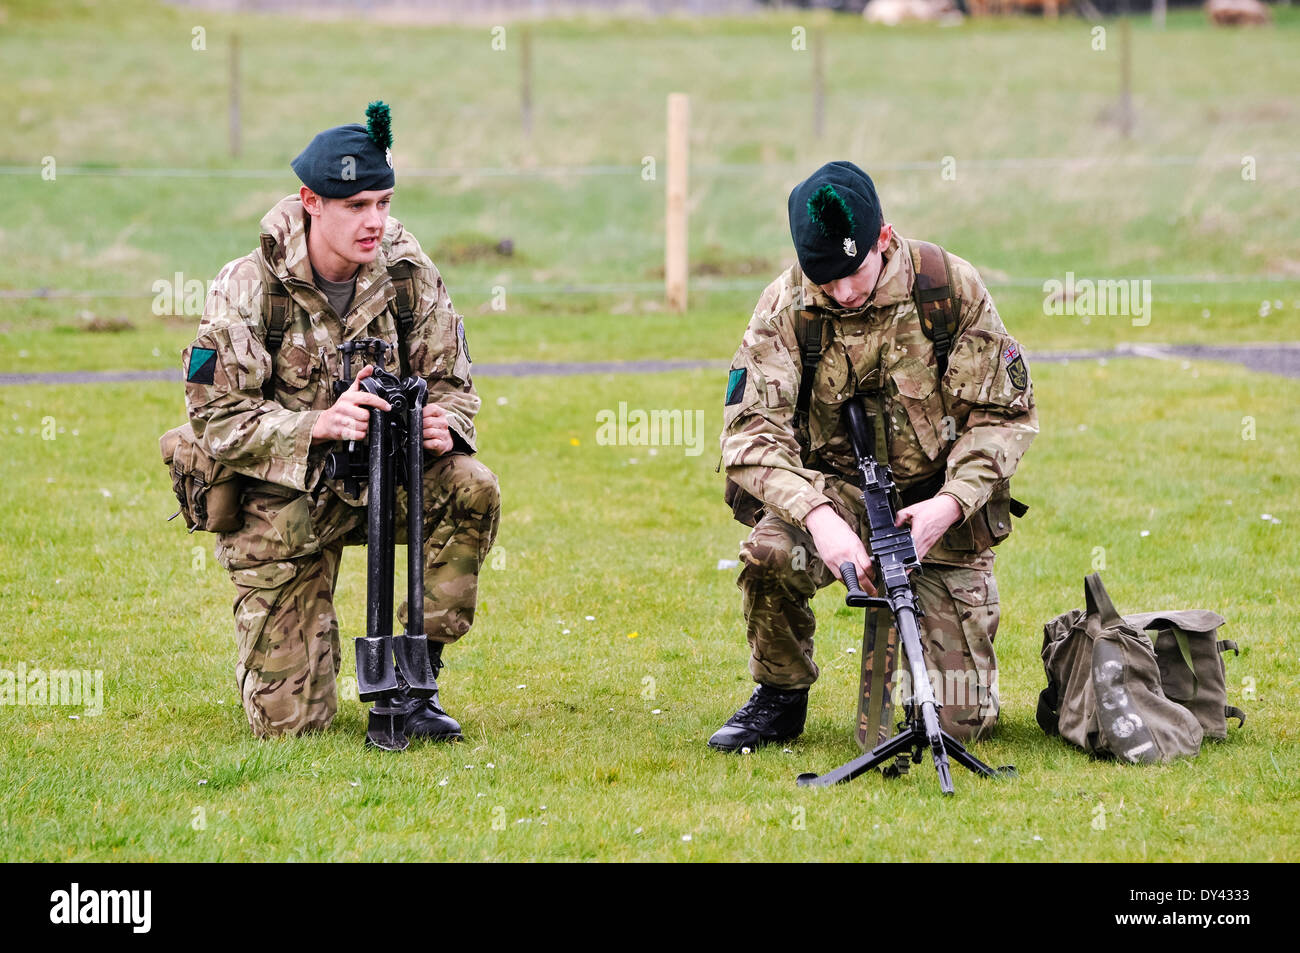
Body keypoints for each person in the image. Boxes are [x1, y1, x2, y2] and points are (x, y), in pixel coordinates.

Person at [183, 102, 500, 740]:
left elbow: (454, 383)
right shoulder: (246, 289)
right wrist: (319, 425)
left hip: (387, 484)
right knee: (295, 728)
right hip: (284, 505)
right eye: (356, 206)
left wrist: (445, 423)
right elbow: (216, 417)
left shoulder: (407, 270)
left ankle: (412, 681)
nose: (374, 222)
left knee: (471, 484)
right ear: (312, 202)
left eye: (382, 203)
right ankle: (300, 656)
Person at [711, 160, 1037, 753]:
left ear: (883, 239)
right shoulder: (785, 307)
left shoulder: (948, 290)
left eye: (852, 274)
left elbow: (1003, 417)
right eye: (825, 281)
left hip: (936, 509)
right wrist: (819, 519)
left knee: (960, 724)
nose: (841, 293)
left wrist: (950, 505)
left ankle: (934, 680)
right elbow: (749, 435)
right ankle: (780, 695)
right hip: (837, 498)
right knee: (768, 554)